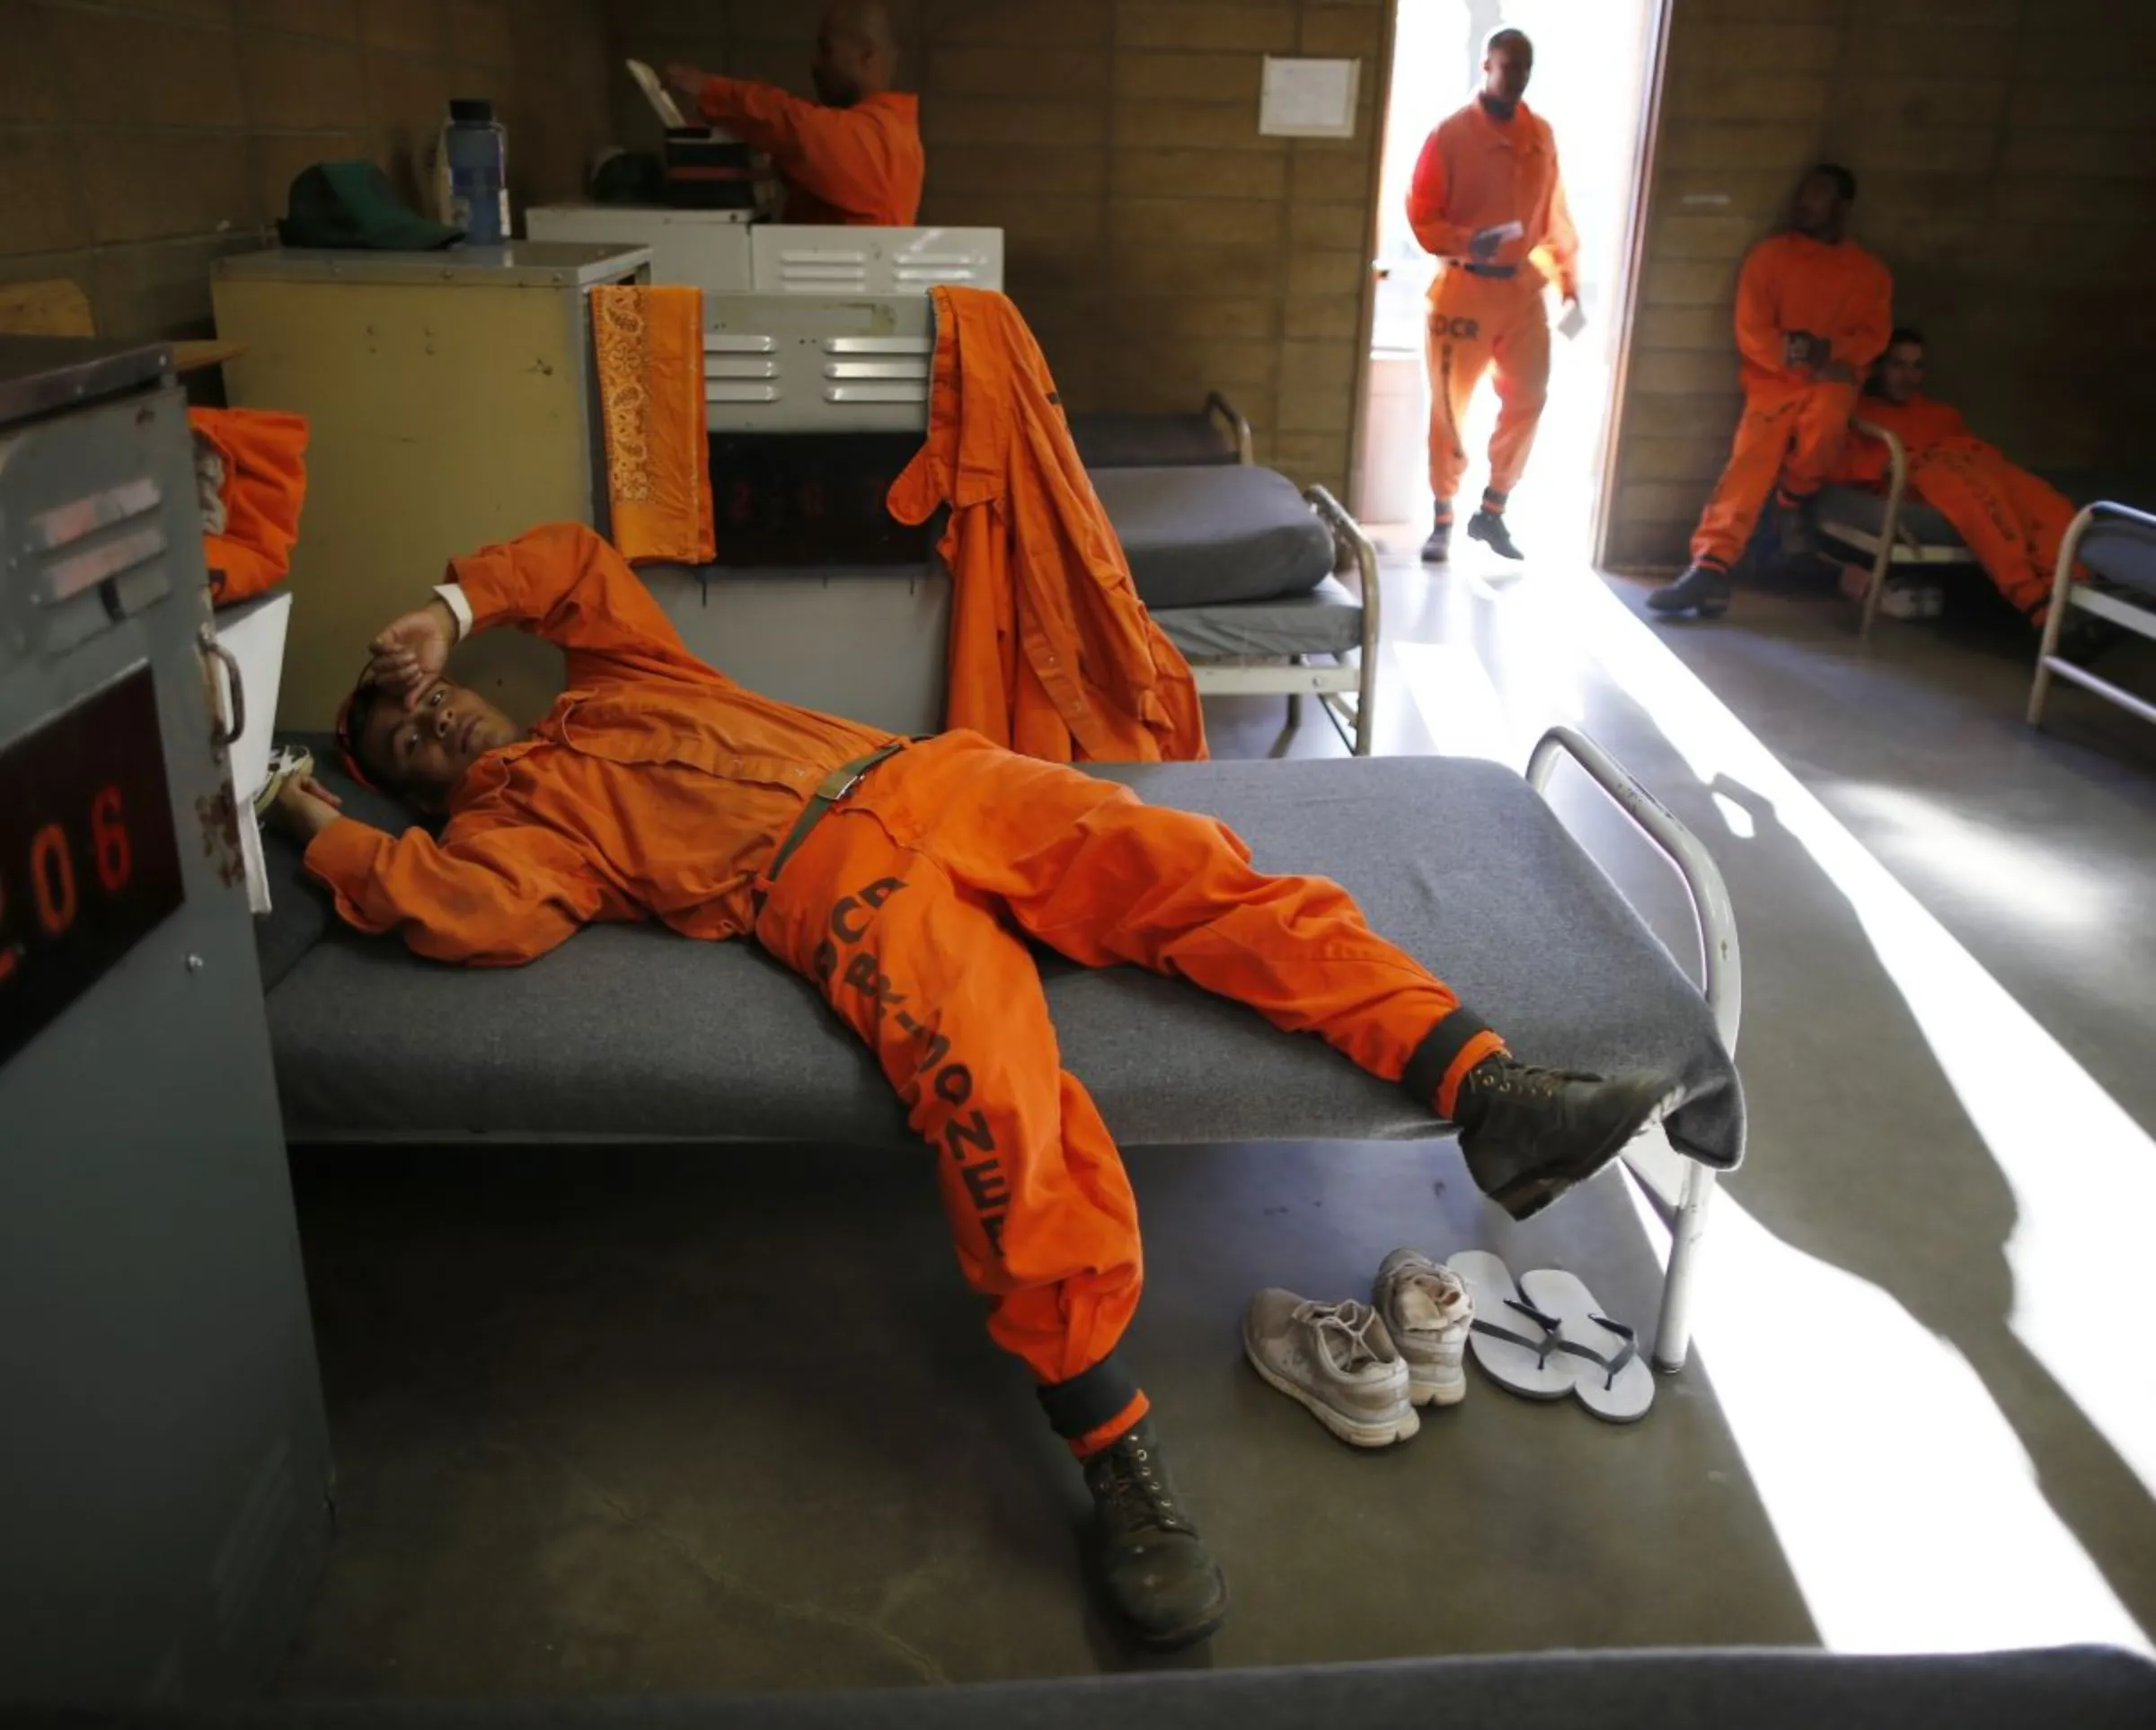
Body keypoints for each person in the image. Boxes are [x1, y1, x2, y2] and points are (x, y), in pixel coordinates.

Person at [270, 522, 1675, 1652]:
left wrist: (451, 601)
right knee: (995, 1108)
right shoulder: (519, 838)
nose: (431, 719)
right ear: (414, 786)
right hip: (837, 888)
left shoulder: (617, 679)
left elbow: (572, 565)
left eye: (425, 696)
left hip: (937, 778)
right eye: (403, 740)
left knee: (1199, 873)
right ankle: (1116, 1455)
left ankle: (1489, 1089)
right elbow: (454, 911)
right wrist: (310, 815)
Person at [1649, 164, 1892, 618]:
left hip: (1831, 384)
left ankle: (1790, 501)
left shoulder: (1870, 273)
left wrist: (1831, 352)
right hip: (1773, 386)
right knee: (1749, 463)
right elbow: (1752, 331)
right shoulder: (1770, 257)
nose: (1803, 202)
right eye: (1802, 192)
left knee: (1827, 421)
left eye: (1817, 195)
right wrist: (1794, 355)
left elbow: (1874, 336)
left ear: (1842, 207)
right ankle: (1710, 566)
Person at [1405, 28, 1580, 565]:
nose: (1518, 77)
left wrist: (1569, 283)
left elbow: (1555, 213)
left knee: (1530, 396)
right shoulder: (1451, 135)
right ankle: (1442, 518)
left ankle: (1494, 510)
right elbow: (1421, 214)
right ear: (1487, 67)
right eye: (1509, 67)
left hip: (1522, 291)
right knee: (1449, 410)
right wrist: (1464, 242)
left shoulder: (1541, 135)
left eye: (1525, 68)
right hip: (1463, 290)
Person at [1830, 328, 2085, 629]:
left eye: (1917, 366)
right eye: (1898, 365)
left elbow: (1972, 453)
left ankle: (2075, 587)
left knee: (2041, 498)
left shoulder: (1941, 415)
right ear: (1878, 368)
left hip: (1969, 463)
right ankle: (2035, 601)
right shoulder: (1860, 413)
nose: (1908, 376)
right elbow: (1841, 465)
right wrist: (1882, 466)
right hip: (1923, 475)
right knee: (1980, 498)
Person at [666, 0, 922, 226]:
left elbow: (793, 126)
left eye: (826, 49)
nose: (815, 61)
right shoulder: (880, 134)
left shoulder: (877, 140)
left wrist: (711, 90)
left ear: (866, 55)